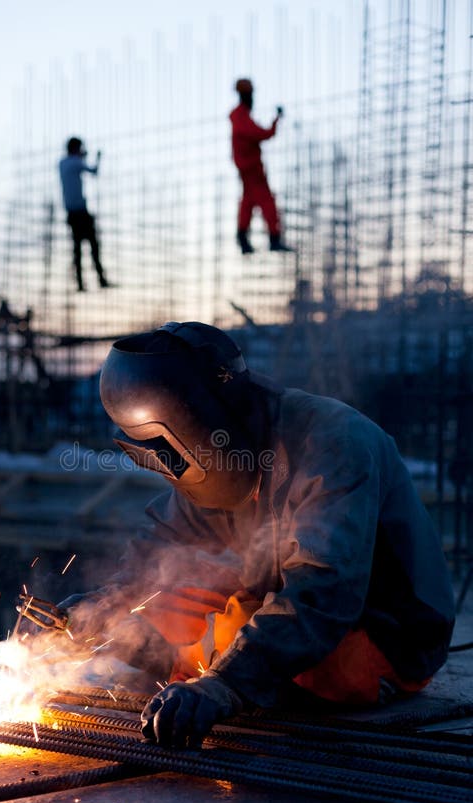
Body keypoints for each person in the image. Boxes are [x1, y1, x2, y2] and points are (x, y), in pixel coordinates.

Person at [24, 322, 455, 749]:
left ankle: (215, 673)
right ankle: (197, 663)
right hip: (283, 595)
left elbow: (325, 591)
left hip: (385, 631)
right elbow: (163, 547)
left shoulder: (334, 442)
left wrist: (223, 683)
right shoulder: (222, 456)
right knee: (172, 597)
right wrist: (100, 610)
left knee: (244, 633)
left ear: (203, 425)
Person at [230, 78, 292, 254]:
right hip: (252, 170)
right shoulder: (240, 118)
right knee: (266, 202)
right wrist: (275, 123)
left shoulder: (240, 117)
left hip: (248, 170)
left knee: (248, 203)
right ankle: (273, 238)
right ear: (247, 95)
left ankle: (243, 238)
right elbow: (260, 134)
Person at [59, 137, 110, 291]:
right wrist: (98, 158)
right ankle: (101, 279)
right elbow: (94, 171)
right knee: (93, 246)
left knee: (78, 249)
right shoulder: (76, 162)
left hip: (71, 213)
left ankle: (81, 283)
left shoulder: (62, 163)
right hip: (81, 212)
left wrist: (81, 157)